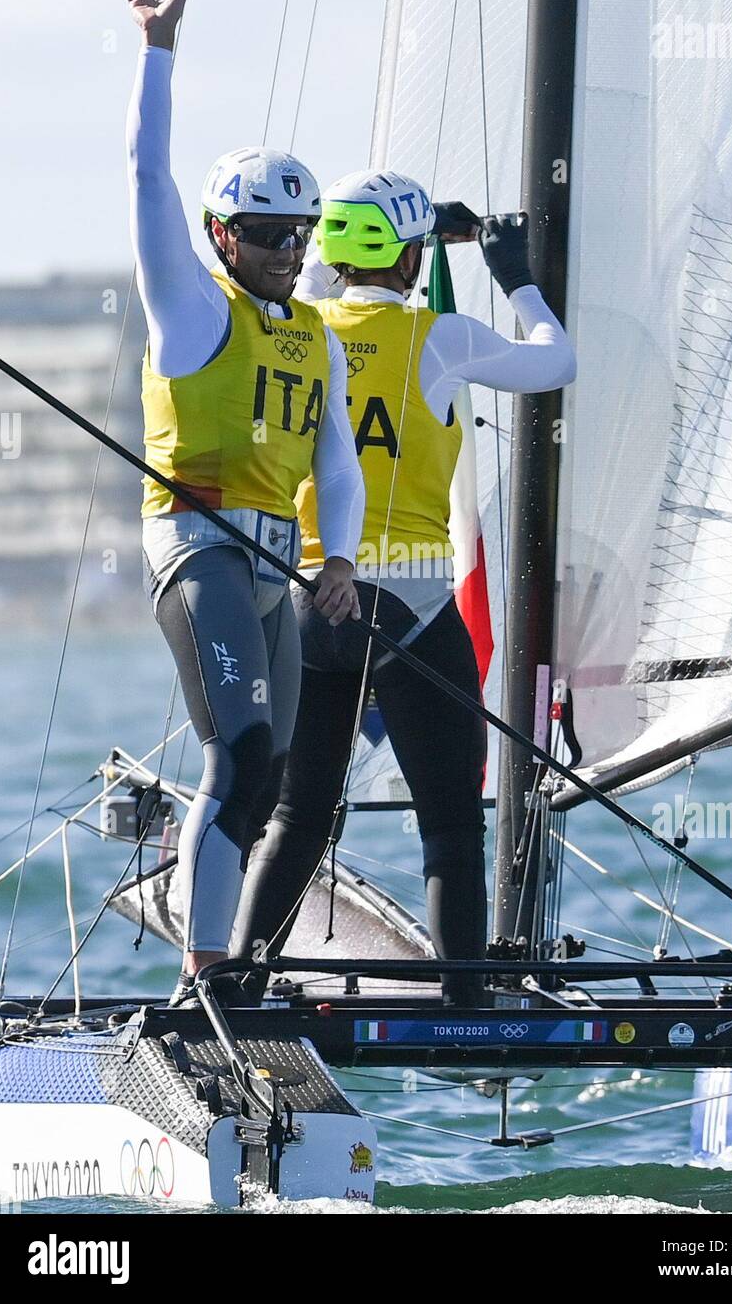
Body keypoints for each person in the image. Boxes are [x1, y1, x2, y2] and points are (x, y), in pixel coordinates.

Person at [231, 168, 576, 1004]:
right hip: (415, 601)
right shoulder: (442, 338)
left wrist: (407, 230)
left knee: (299, 818)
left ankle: (235, 979)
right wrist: (514, 274)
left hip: (312, 594)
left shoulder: (299, 326)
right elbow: (554, 362)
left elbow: (322, 279)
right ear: (412, 255)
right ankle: (464, 1001)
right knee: (451, 823)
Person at [121, 0, 364, 1005]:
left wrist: (341, 558)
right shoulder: (193, 308)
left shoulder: (316, 333)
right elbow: (143, 176)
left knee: (269, 779)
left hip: (279, 560)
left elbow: (338, 462)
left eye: (297, 234)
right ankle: (207, 978)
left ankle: (225, 960)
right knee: (244, 750)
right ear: (224, 235)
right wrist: (157, 49)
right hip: (198, 541)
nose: (284, 248)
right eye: (264, 233)